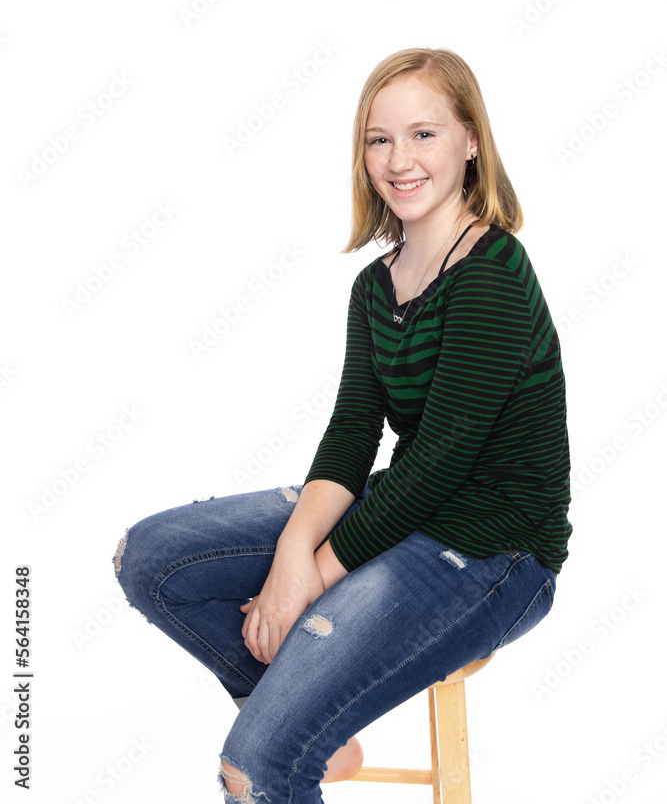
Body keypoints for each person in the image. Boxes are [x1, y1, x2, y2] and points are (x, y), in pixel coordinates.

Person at [114, 47, 572, 804]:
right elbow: (354, 433)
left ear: (470, 142)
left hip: (494, 554)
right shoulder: (374, 285)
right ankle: (300, 714)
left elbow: (441, 461)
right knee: (153, 558)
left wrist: (312, 578)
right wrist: (295, 554)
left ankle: (286, 732)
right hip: (406, 512)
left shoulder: (492, 273)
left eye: (423, 134)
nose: (399, 159)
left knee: (258, 766)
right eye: (378, 139)